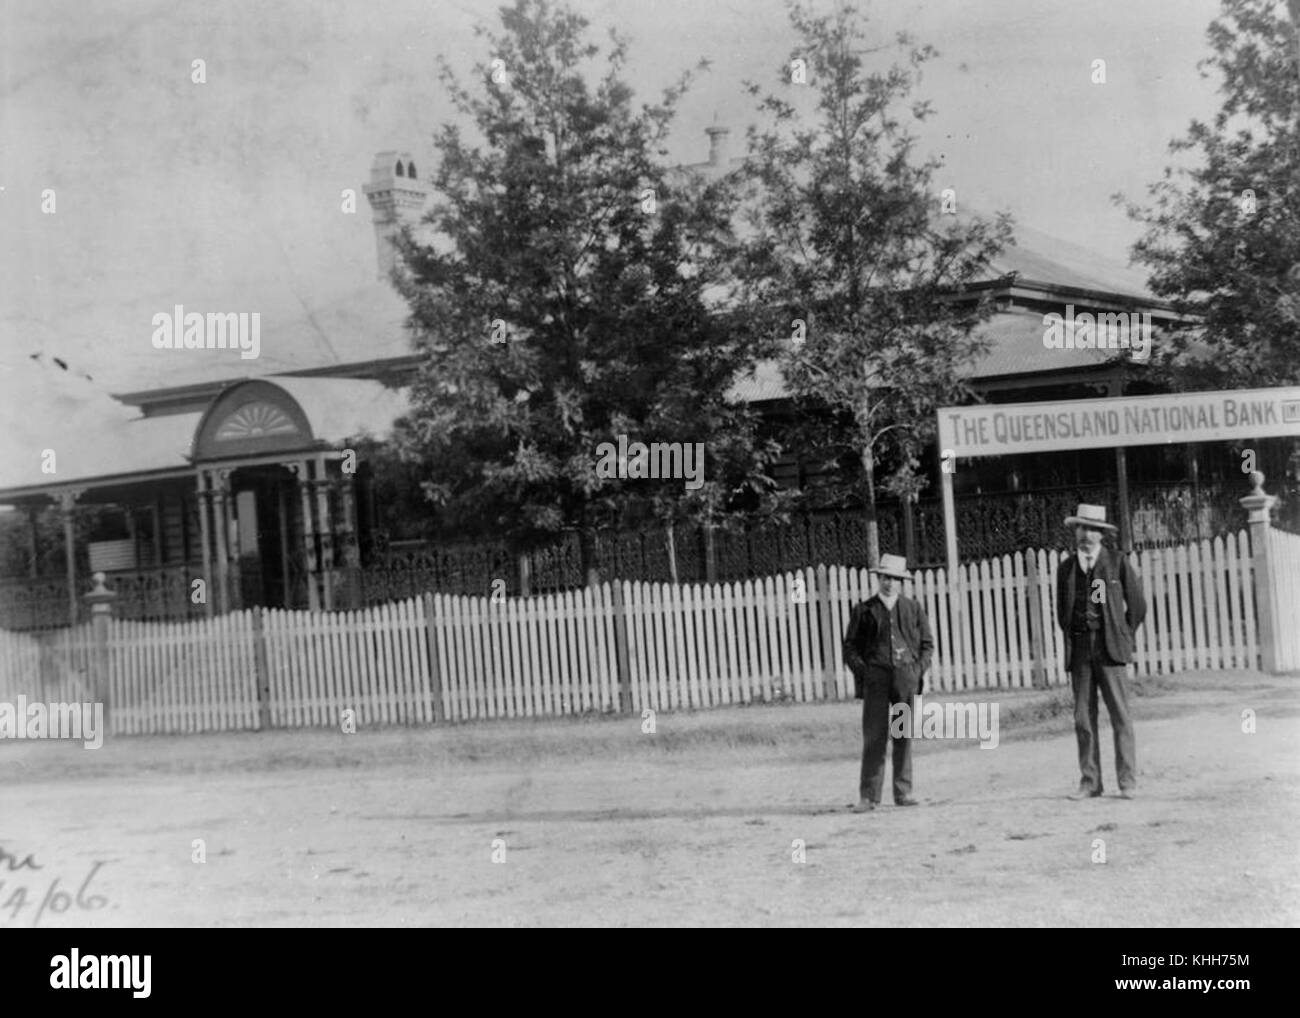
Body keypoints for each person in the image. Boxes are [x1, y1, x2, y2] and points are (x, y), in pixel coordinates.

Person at [1054, 504, 1148, 800]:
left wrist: (1123, 634)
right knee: (1083, 718)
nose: (1085, 535)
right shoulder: (1066, 569)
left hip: (1110, 650)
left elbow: (1138, 606)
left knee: (1120, 715)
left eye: (1092, 529)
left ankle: (1127, 781)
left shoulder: (1116, 562)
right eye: (1081, 528)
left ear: (1101, 535)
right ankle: (1090, 781)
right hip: (1081, 651)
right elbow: (1062, 613)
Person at [843, 553, 934, 813]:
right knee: (875, 737)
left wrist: (917, 670)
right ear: (878, 579)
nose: (889, 583)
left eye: (894, 579)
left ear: (901, 582)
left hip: (905, 679)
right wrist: (865, 671)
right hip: (876, 682)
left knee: (902, 735)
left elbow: (927, 644)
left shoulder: (913, 608)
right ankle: (869, 796)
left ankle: (903, 792)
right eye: (885, 578)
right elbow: (850, 648)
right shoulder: (864, 610)